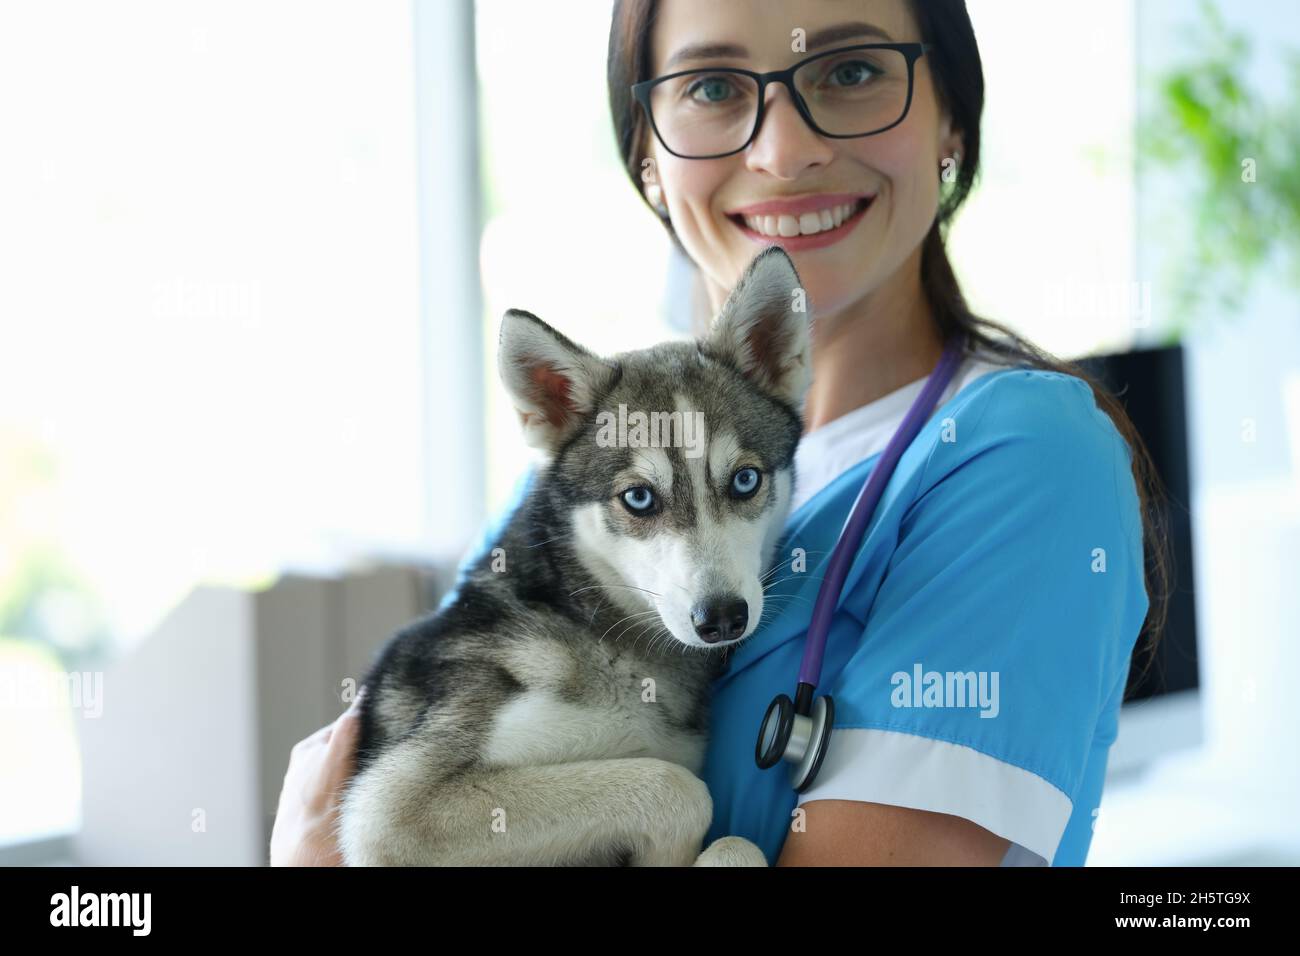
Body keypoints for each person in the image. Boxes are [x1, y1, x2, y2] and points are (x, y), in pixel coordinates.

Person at [272, 0, 1168, 866]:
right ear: (647, 154)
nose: (786, 152)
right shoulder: (572, 487)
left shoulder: (1026, 463)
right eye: (713, 87)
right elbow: (415, 820)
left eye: (851, 71)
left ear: (953, 124)